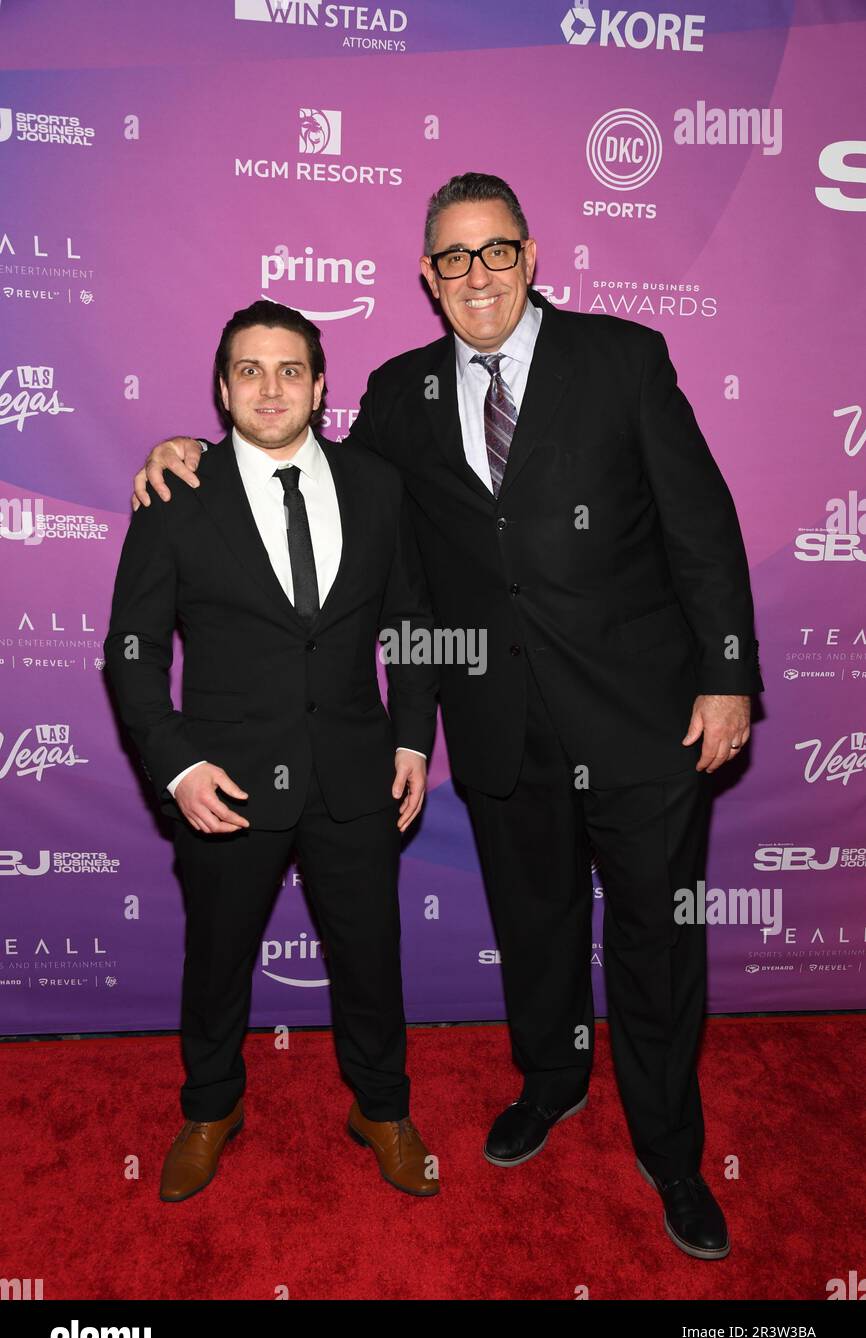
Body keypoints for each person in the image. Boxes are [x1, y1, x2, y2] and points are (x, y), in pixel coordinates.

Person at [132, 174, 763, 1259]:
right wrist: (182, 451)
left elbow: (699, 524)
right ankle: (551, 1083)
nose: (477, 274)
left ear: (530, 253)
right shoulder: (400, 393)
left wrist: (727, 674)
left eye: (495, 250)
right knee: (537, 927)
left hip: (643, 716)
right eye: (453, 258)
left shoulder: (623, 359)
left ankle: (669, 1152)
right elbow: (297, 457)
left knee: (657, 948)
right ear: (427, 277)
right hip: (501, 723)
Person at [106, 301, 440, 1202]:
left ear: (321, 387)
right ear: (221, 390)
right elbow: (131, 651)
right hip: (226, 781)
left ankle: (382, 1108)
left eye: (290, 369)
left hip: (356, 772)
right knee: (216, 959)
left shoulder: (377, 485)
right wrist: (176, 765)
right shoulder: (176, 492)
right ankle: (211, 1108)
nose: (270, 387)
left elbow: (410, 619)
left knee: (372, 955)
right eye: (249, 370)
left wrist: (413, 735)